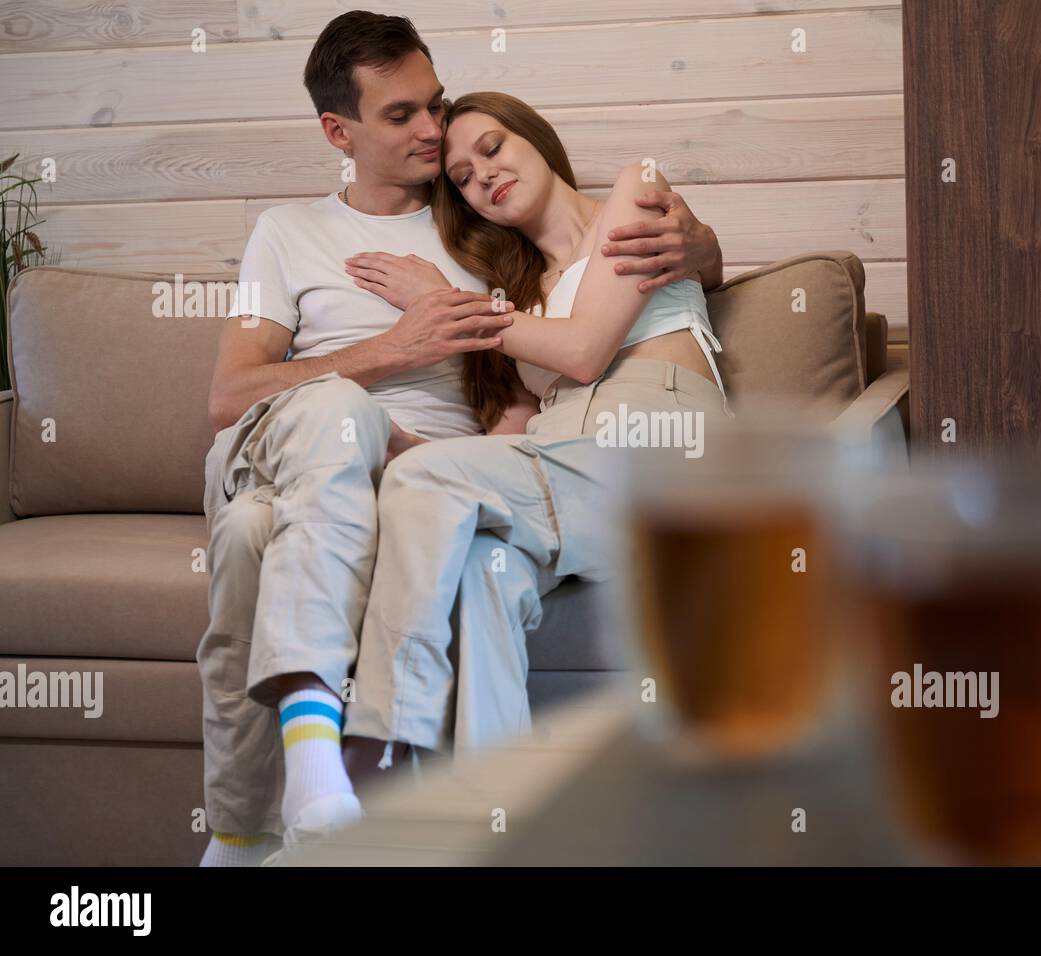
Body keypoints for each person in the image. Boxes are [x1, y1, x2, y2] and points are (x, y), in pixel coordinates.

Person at [196, 11, 725, 866]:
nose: (444, 141)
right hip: (384, 457)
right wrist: (393, 359)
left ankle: (393, 781)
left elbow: (584, 348)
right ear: (341, 132)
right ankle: (289, 828)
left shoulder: (501, 245)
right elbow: (231, 396)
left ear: (534, 138)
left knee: (436, 511)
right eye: (404, 117)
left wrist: (701, 247)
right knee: (346, 479)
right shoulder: (307, 235)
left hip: (562, 452)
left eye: (441, 110)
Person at [335, 90, 731, 782]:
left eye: (493, 149)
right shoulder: (516, 303)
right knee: (482, 566)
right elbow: (504, 453)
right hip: (567, 475)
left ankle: (382, 755)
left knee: (426, 488)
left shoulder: (634, 193)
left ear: (536, 138)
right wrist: (396, 444)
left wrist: (442, 304)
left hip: (660, 453)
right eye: (461, 177)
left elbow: (582, 351)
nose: (482, 175)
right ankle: (496, 819)